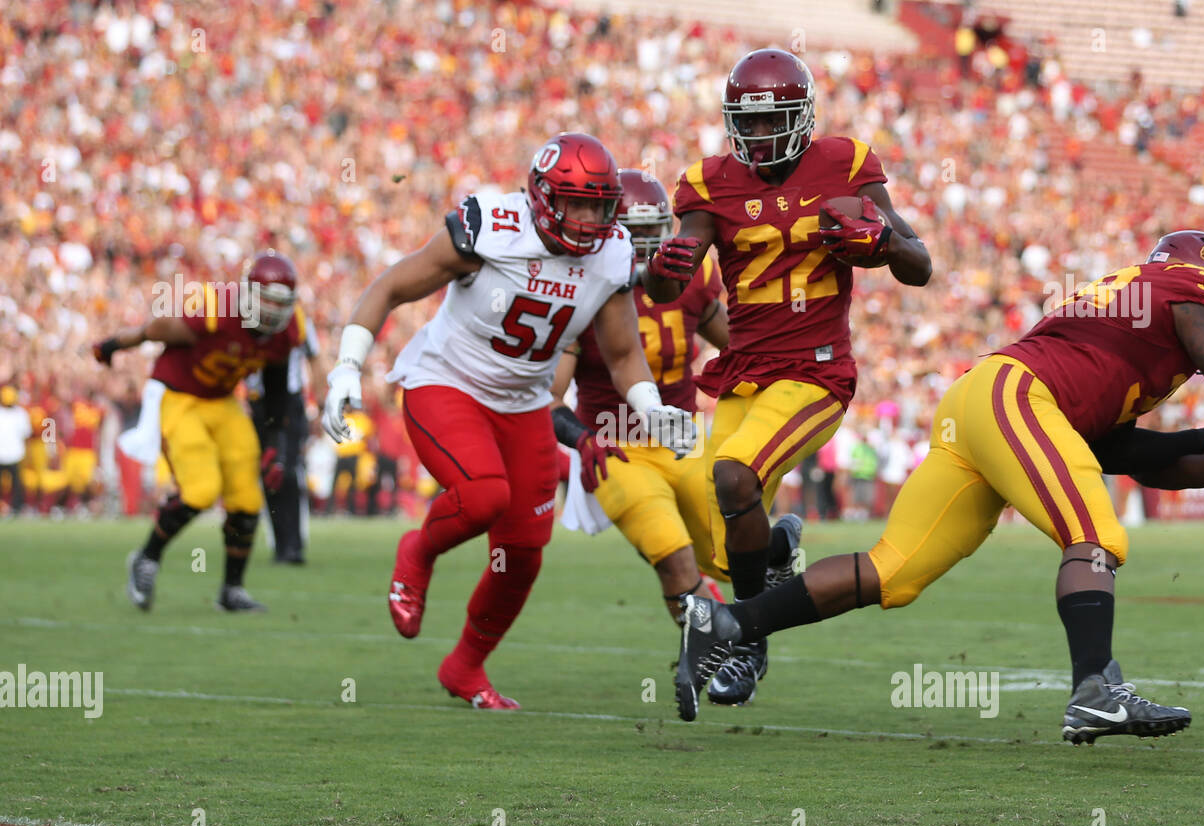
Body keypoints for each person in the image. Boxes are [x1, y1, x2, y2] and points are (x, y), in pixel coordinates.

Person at [678, 230, 1204, 742]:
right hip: (1016, 396)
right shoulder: (1185, 289)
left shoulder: (1134, 313)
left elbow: (1120, 451)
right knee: (1094, 535)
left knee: (893, 570)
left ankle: (726, 623)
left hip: (982, 402)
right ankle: (1094, 689)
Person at [321, 132, 697, 710]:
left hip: (523, 403)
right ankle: (418, 552)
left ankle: (465, 667)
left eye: (599, 207)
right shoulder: (491, 227)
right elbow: (392, 285)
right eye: (575, 204)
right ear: (543, 197)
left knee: (522, 552)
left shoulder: (611, 253)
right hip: (447, 382)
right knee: (484, 495)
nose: (588, 220)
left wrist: (651, 411)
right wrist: (348, 366)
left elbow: (623, 353)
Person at [641, 48, 931, 716]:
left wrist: (884, 243)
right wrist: (661, 270)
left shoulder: (845, 165)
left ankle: (746, 640)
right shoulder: (709, 183)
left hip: (815, 370)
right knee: (720, 546)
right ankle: (777, 550)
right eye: (750, 121)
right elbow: (667, 287)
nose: (762, 134)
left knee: (734, 474)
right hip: (746, 372)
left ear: (803, 116)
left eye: (775, 120)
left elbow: (920, 264)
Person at [549, 169, 740, 687]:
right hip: (616, 445)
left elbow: (739, 347)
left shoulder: (692, 277)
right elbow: (549, 398)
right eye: (634, 235)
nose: (645, 247)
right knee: (672, 556)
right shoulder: (586, 286)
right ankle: (726, 657)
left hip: (682, 441)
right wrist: (581, 439)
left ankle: (743, 626)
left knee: (732, 554)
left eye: (654, 232)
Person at [94, 250, 301, 612]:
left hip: (222, 400)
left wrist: (275, 443)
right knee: (201, 490)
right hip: (180, 396)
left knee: (246, 497)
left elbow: (276, 388)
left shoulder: (286, 332)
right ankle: (147, 557)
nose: (271, 310)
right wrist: (113, 344)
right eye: (265, 300)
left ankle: (232, 590)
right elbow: (155, 329)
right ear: (248, 293)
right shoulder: (217, 308)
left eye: (279, 303)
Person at [249, 312, 321, 563]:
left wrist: (319, 403)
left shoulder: (299, 319)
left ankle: (294, 544)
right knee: (268, 472)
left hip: (289, 402)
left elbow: (315, 358)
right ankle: (281, 543)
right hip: (257, 402)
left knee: (288, 470)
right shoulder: (249, 315)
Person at [0, 385, 31, 515]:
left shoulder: (21, 413)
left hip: (15, 454)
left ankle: (17, 507)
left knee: (17, 483)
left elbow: (26, 433)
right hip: (3, 453)